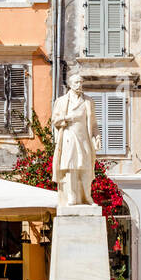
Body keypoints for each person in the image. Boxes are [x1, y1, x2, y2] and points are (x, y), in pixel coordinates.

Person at [50, 72, 98, 208]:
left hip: (85, 138)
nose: (80, 85)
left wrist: (97, 136)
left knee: (86, 168)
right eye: (77, 82)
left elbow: (94, 123)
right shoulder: (61, 101)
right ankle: (72, 197)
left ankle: (87, 197)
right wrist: (67, 118)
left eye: (81, 82)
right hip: (68, 136)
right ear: (70, 85)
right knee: (71, 167)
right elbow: (54, 120)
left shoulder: (88, 101)